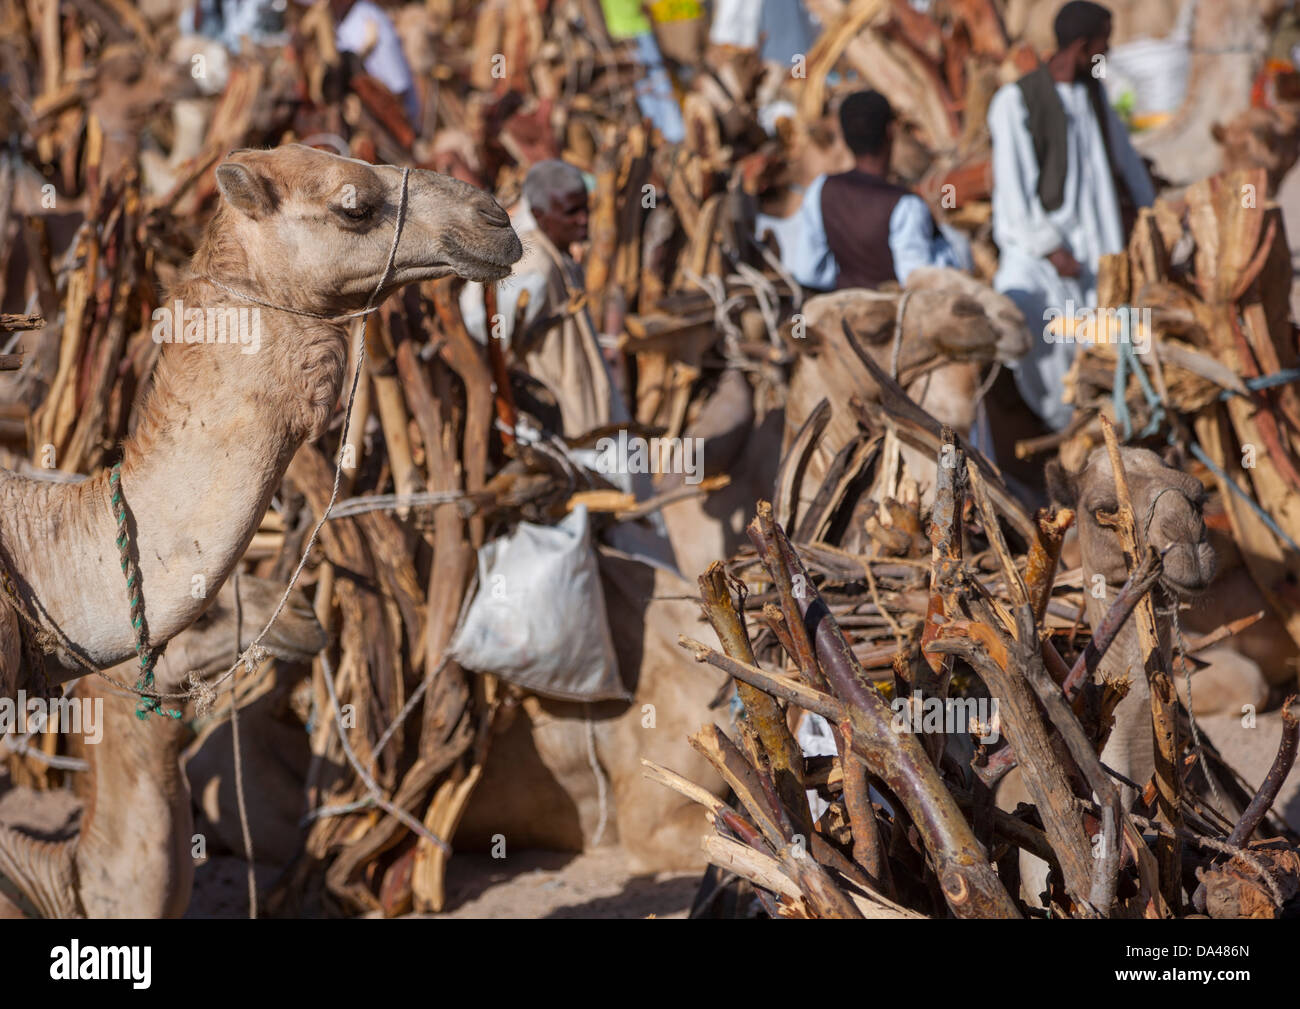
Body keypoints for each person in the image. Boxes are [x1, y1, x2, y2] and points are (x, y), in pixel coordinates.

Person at [460, 161, 677, 569]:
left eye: (586, 209)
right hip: (571, 433)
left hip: (593, 423)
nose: (584, 222)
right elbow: (481, 326)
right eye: (572, 212)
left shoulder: (551, 252)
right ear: (540, 215)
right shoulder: (532, 268)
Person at [988, 0, 1155, 431]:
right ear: (1082, 47)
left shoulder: (1093, 95)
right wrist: (1051, 249)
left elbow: (1128, 166)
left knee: (1114, 342)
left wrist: (1151, 214)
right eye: (1105, 43)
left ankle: (1102, 427)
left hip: (1095, 258)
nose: (1109, 53)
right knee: (1034, 332)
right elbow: (1012, 195)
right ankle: (1056, 432)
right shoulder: (1015, 102)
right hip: (1039, 259)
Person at [778, 90, 961, 292]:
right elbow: (917, 282)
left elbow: (808, 272)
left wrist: (848, 284)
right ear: (891, 134)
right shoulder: (906, 204)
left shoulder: (821, 189)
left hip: (844, 314)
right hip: (895, 317)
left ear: (845, 139)